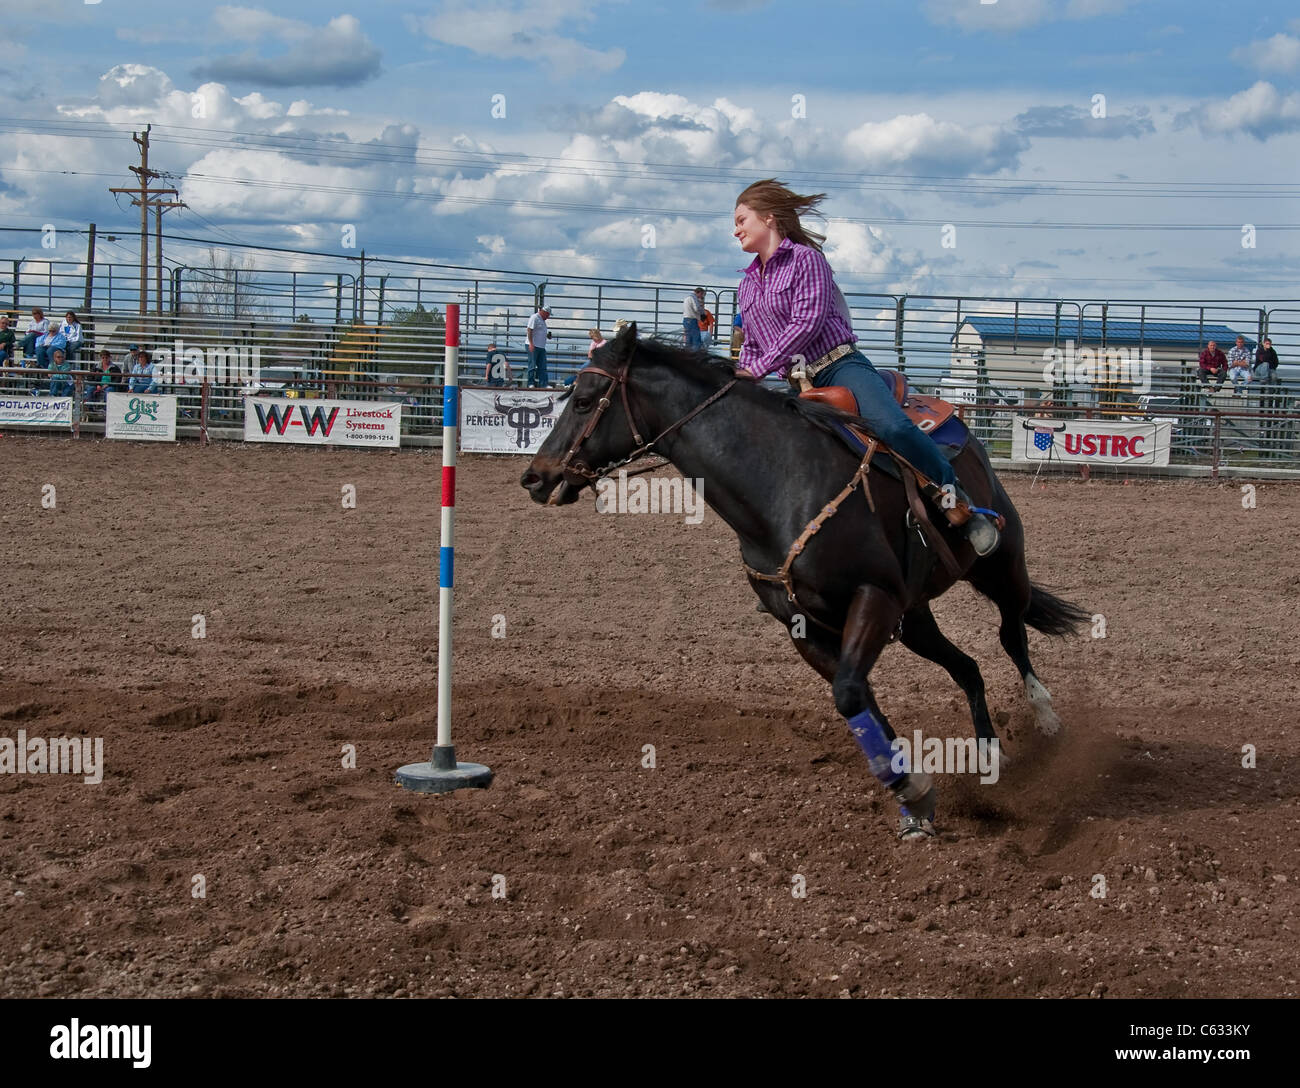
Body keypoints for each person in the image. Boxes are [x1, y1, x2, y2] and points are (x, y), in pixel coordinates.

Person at [732, 178, 999, 555]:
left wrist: (756, 369)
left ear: (769, 218)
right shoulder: (746, 285)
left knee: (892, 426)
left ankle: (959, 503)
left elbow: (806, 323)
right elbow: (753, 344)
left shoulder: (807, 260)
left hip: (839, 368)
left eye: (742, 219)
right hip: (795, 383)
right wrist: (740, 375)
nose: (736, 229)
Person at [525, 306, 552, 387]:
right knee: (532, 365)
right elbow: (529, 330)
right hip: (534, 345)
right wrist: (531, 343)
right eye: (548, 315)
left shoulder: (542, 320)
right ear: (544, 312)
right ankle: (531, 383)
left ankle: (544, 384)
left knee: (542, 366)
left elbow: (539, 332)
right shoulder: (535, 317)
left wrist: (547, 336)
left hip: (541, 346)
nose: (548, 317)